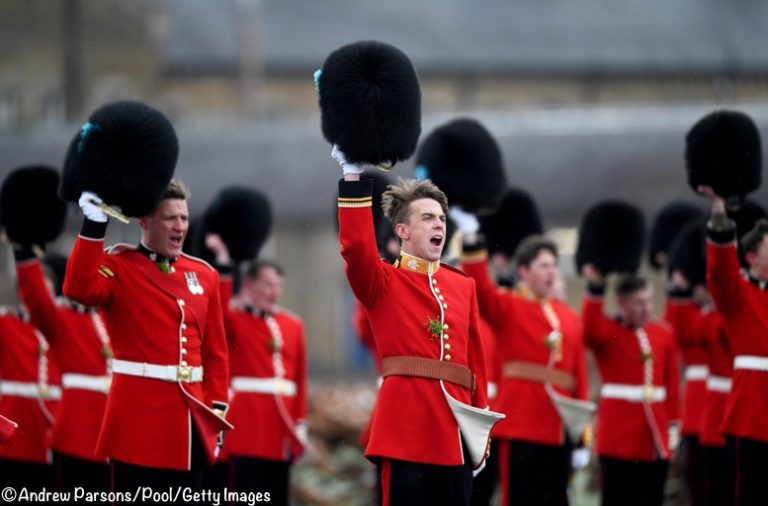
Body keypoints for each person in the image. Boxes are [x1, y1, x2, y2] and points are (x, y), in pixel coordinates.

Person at [333, 146, 500, 506]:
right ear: (403, 231)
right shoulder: (383, 281)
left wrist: (480, 432)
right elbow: (357, 249)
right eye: (427, 218)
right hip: (405, 430)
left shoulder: (462, 285)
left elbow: (475, 367)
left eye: (441, 217)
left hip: (455, 432)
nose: (439, 223)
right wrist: (352, 176)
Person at [63, 180, 231, 490]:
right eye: (170, 218)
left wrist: (216, 409)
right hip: (137, 420)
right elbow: (78, 288)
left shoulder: (204, 275)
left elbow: (215, 352)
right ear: (144, 221)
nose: (180, 225)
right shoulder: (119, 267)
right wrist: (94, 224)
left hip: (190, 421)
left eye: (184, 218)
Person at [456, 211, 590, 506]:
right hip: (520, 427)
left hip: (558, 432)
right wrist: (471, 240)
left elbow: (578, 378)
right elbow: (479, 285)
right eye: (544, 265)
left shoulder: (569, 318)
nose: (552, 272)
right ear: (525, 272)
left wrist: (582, 437)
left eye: (554, 265)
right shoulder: (509, 307)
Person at [207, 234, 308, 506]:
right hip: (245, 428)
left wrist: (299, 422)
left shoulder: (293, 325)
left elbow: (299, 379)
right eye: (266, 284)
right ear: (249, 285)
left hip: (281, 429)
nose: (273, 291)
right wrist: (226, 266)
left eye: (277, 285)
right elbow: (217, 313)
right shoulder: (236, 320)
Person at [12, 247, 112, 491]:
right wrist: (24, 251)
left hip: (108, 436)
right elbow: (37, 298)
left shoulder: (104, 319)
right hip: (76, 435)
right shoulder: (60, 317)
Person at [581, 268, 680, 506]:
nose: (646, 308)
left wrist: (673, 426)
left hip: (654, 438)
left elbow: (671, 387)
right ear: (622, 303)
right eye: (639, 302)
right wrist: (596, 288)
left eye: (649, 301)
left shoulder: (663, 333)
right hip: (618, 439)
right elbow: (590, 328)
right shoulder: (610, 332)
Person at [698, 185, 768, 505]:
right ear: (752, 257)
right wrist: (720, 215)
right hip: (754, 408)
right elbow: (721, 272)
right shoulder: (739, 295)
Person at [664, 271, 731, 506]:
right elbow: (673, 330)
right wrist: (679, 292)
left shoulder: (721, 313)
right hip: (696, 405)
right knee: (699, 479)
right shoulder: (692, 313)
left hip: (722, 400)